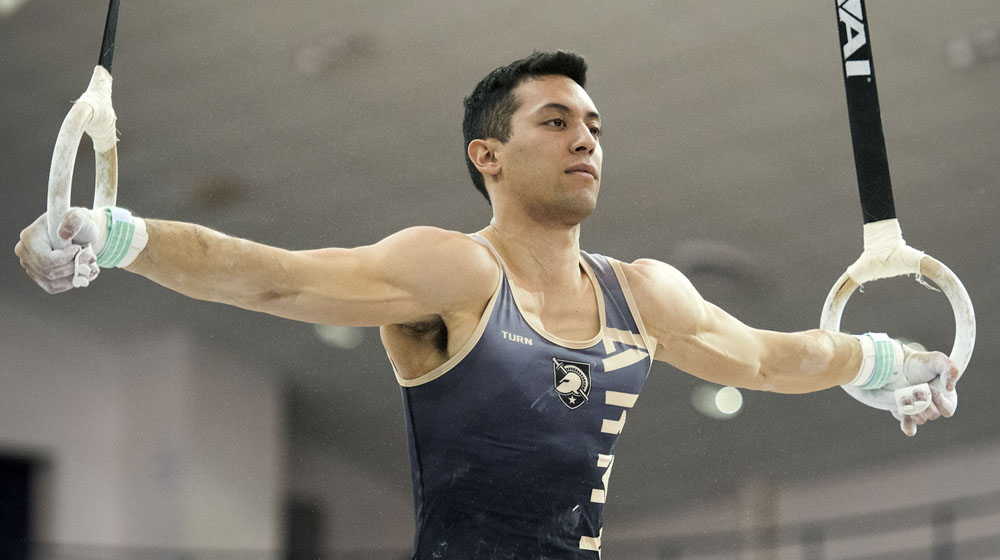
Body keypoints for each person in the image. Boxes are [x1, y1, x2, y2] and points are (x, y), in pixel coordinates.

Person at [15, 51, 959, 559]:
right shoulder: (454, 274)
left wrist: (882, 363)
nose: (585, 138)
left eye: (593, 125)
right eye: (556, 121)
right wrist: (114, 235)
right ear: (488, 157)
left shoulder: (646, 294)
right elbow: (275, 274)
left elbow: (765, 358)